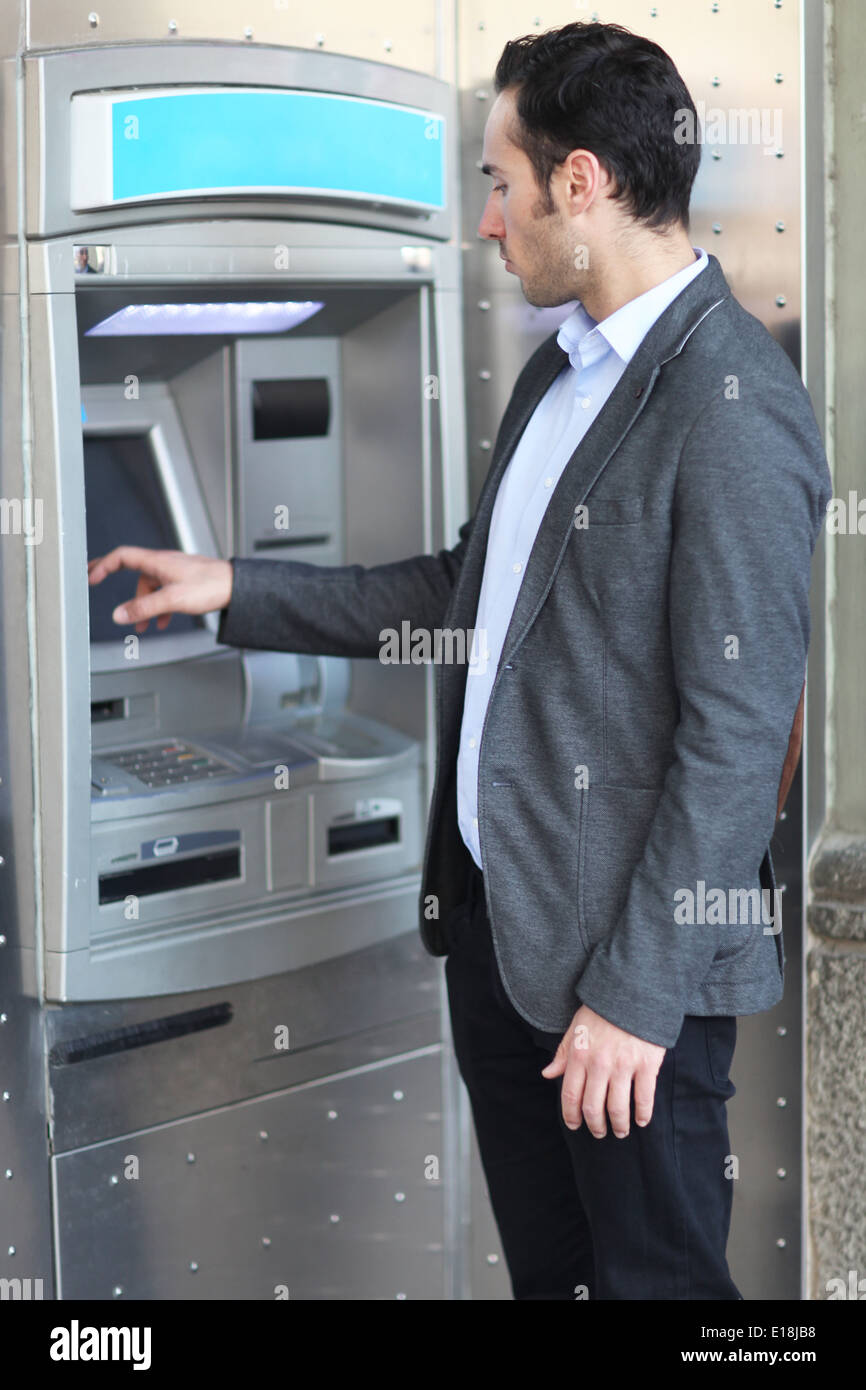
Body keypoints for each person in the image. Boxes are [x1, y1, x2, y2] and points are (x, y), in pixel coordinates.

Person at [88, 21, 832, 1300]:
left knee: (656, 1291)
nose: (488, 222)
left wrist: (638, 998)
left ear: (581, 182)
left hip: (622, 986)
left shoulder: (729, 406)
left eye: (500, 182)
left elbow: (738, 731)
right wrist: (234, 588)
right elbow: (463, 594)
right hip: (503, 943)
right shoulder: (559, 375)